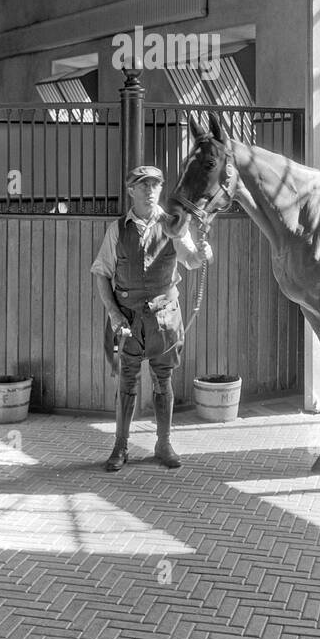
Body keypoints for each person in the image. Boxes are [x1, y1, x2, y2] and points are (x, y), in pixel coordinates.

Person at [90, 165, 212, 472]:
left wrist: (202, 253)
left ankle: (163, 444)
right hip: (127, 322)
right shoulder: (117, 229)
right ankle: (120, 447)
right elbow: (102, 274)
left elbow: (191, 260)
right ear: (131, 190)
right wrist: (114, 313)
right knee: (127, 383)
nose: (149, 191)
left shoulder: (173, 226)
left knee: (163, 380)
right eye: (143, 185)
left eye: (155, 185)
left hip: (164, 321)